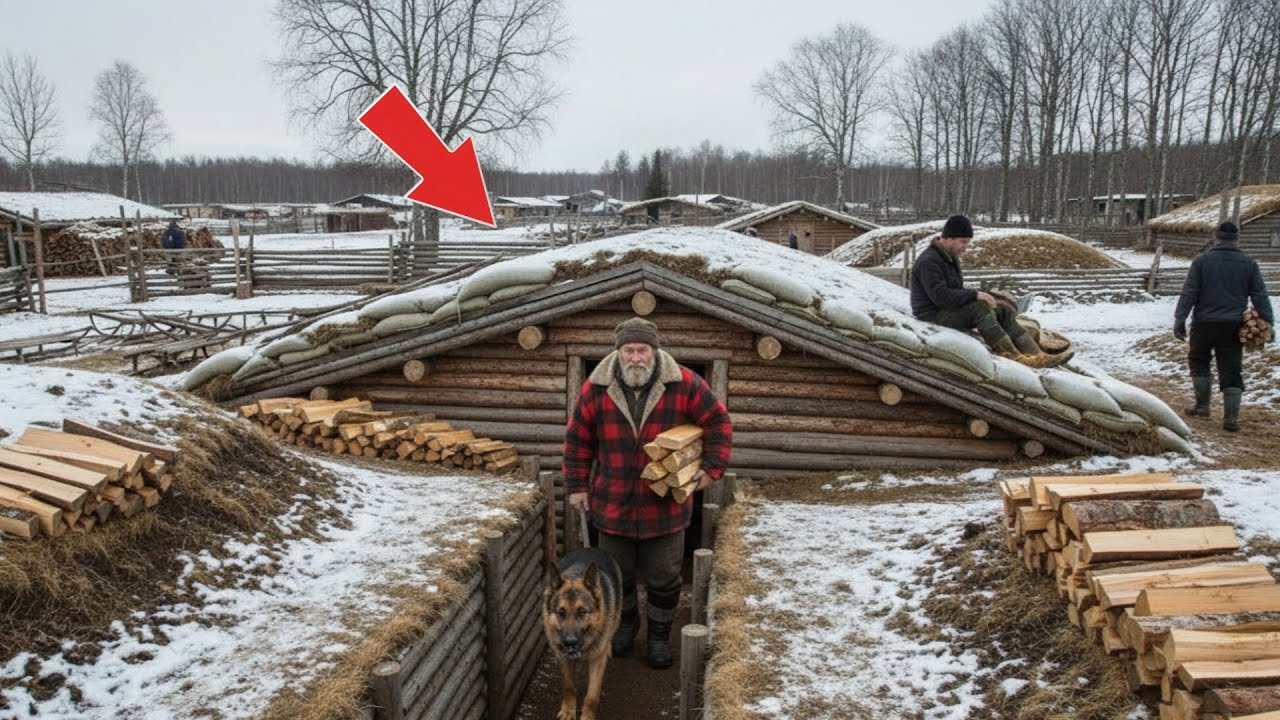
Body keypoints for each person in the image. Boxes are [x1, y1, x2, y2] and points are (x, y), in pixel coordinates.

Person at [563, 317, 732, 669]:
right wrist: (578, 486)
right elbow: (578, 439)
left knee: (664, 577)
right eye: (629, 350)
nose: (636, 357)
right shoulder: (596, 388)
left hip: (666, 505)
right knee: (616, 576)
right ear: (618, 351)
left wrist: (711, 469)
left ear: (655, 351)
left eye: (642, 350)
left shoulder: (684, 383)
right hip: (613, 503)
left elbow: (717, 422)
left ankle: (658, 636)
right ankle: (626, 626)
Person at [910, 214, 1071, 369]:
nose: (965, 248)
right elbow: (941, 297)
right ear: (949, 238)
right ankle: (1014, 356)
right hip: (932, 313)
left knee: (1002, 311)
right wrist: (977, 295)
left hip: (946, 309)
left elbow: (955, 291)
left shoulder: (948, 257)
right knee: (981, 309)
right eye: (963, 242)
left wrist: (991, 296)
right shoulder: (929, 261)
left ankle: (1037, 355)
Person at [1173, 221, 1274, 431]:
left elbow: (1189, 292)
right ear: (1237, 238)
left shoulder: (1202, 261)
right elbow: (1260, 295)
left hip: (1204, 324)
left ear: (1215, 236)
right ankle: (1230, 419)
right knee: (1232, 369)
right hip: (1233, 325)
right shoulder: (1248, 263)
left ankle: (1202, 405)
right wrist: (1268, 323)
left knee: (1199, 360)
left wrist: (1180, 319)